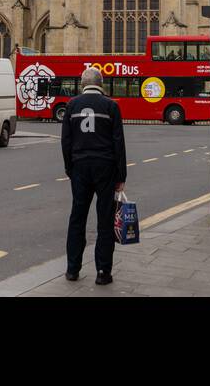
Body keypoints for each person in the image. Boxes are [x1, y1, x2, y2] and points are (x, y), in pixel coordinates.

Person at [62, 65, 127, 285]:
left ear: (82, 84)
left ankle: (72, 270)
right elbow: (119, 142)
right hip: (105, 166)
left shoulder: (71, 105)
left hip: (80, 166)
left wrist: (69, 168)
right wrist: (121, 176)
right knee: (105, 221)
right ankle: (103, 272)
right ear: (101, 84)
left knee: (77, 218)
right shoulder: (111, 106)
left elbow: (66, 142)